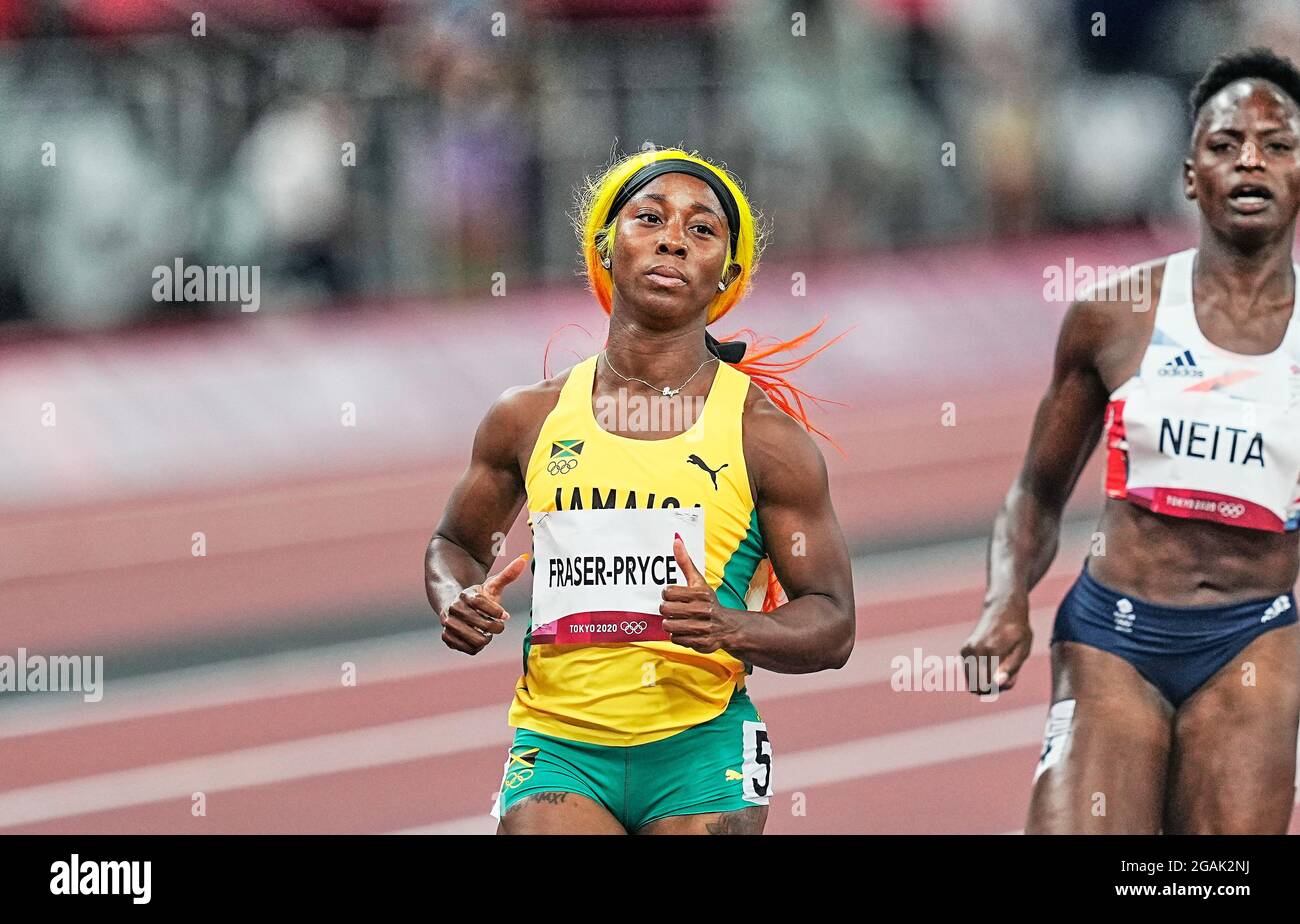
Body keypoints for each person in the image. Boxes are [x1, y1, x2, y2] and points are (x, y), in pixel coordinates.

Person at [425, 146, 856, 834]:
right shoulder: (525, 418)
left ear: (728, 275)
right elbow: (454, 543)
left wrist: (731, 627)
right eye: (648, 218)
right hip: (559, 747)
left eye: (702, 230)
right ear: (605, 248)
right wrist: (457, 596)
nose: (672, 239)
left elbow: (833, 622)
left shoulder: (764, 438)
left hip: (700, 749)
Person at [963, 48, 1300, 834]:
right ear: (1190, 176)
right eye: (1224, 145)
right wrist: (1004, 599)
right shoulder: (1113, 316)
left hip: (1253, 641)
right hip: (1113, 637)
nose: (1250, 160)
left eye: (1277, 145)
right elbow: (1035, 493)